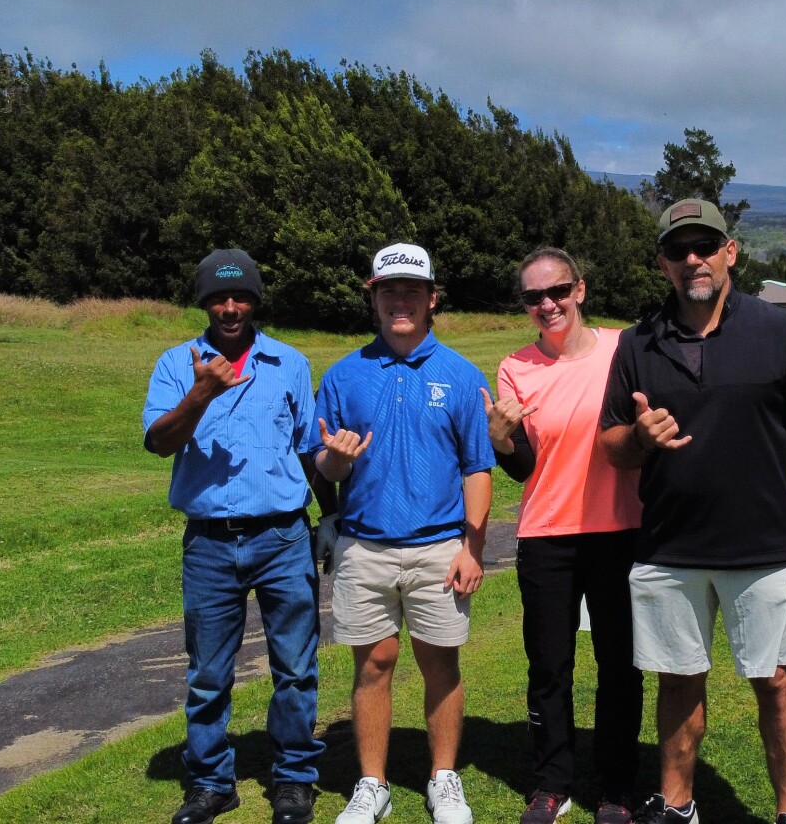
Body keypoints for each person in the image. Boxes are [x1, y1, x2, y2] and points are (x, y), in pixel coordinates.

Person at [597, 200, 786, 824]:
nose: (693, 259)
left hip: (761, 547)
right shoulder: (637, 343)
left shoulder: (780, 330)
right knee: (677, 682)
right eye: (678, 250)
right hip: (669, 546)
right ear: (663, 263)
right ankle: (678, 806)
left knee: (777, 680)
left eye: (705, 246)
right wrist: (641, 439)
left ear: (730, 252)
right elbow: (610, 444)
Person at [143, 249, 326, 824]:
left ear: (254, 301)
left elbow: (308, 450)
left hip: (283, 537)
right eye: (218, 298)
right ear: (203, 303)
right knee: (207, 674)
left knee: (295, 667)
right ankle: (211, 783)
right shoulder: (177, 364)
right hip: (210, 544)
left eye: (240, 297)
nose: (229, 308)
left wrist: (334, 520)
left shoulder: (289, 363)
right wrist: (201, 393)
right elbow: (159, 441)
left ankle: (294, 780)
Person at [315, 242, 493, 824]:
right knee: (373, 665)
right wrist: (335, 462)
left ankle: (443, 778)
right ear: (374, 297)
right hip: (365, 544)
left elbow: (477, 467)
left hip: (441, 546)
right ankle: (373, 785)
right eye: (388, 290)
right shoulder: (344, 375)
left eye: (411, 291)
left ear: (431, 298)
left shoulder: (460, 375)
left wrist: (473, 548)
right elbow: (328, 467)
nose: (400, 301)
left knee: (440, 664)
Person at [490, 248, 644, 824]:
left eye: (557, 292)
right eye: (533, 298)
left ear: (579, 289)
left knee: (620, 665)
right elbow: (524, 464)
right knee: (549, 666)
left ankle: (617, 788)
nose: (547, 305)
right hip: (547, 535)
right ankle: (552, 783)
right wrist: (503, 439)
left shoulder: (623, 346)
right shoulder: (515, 366)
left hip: (619, 530)